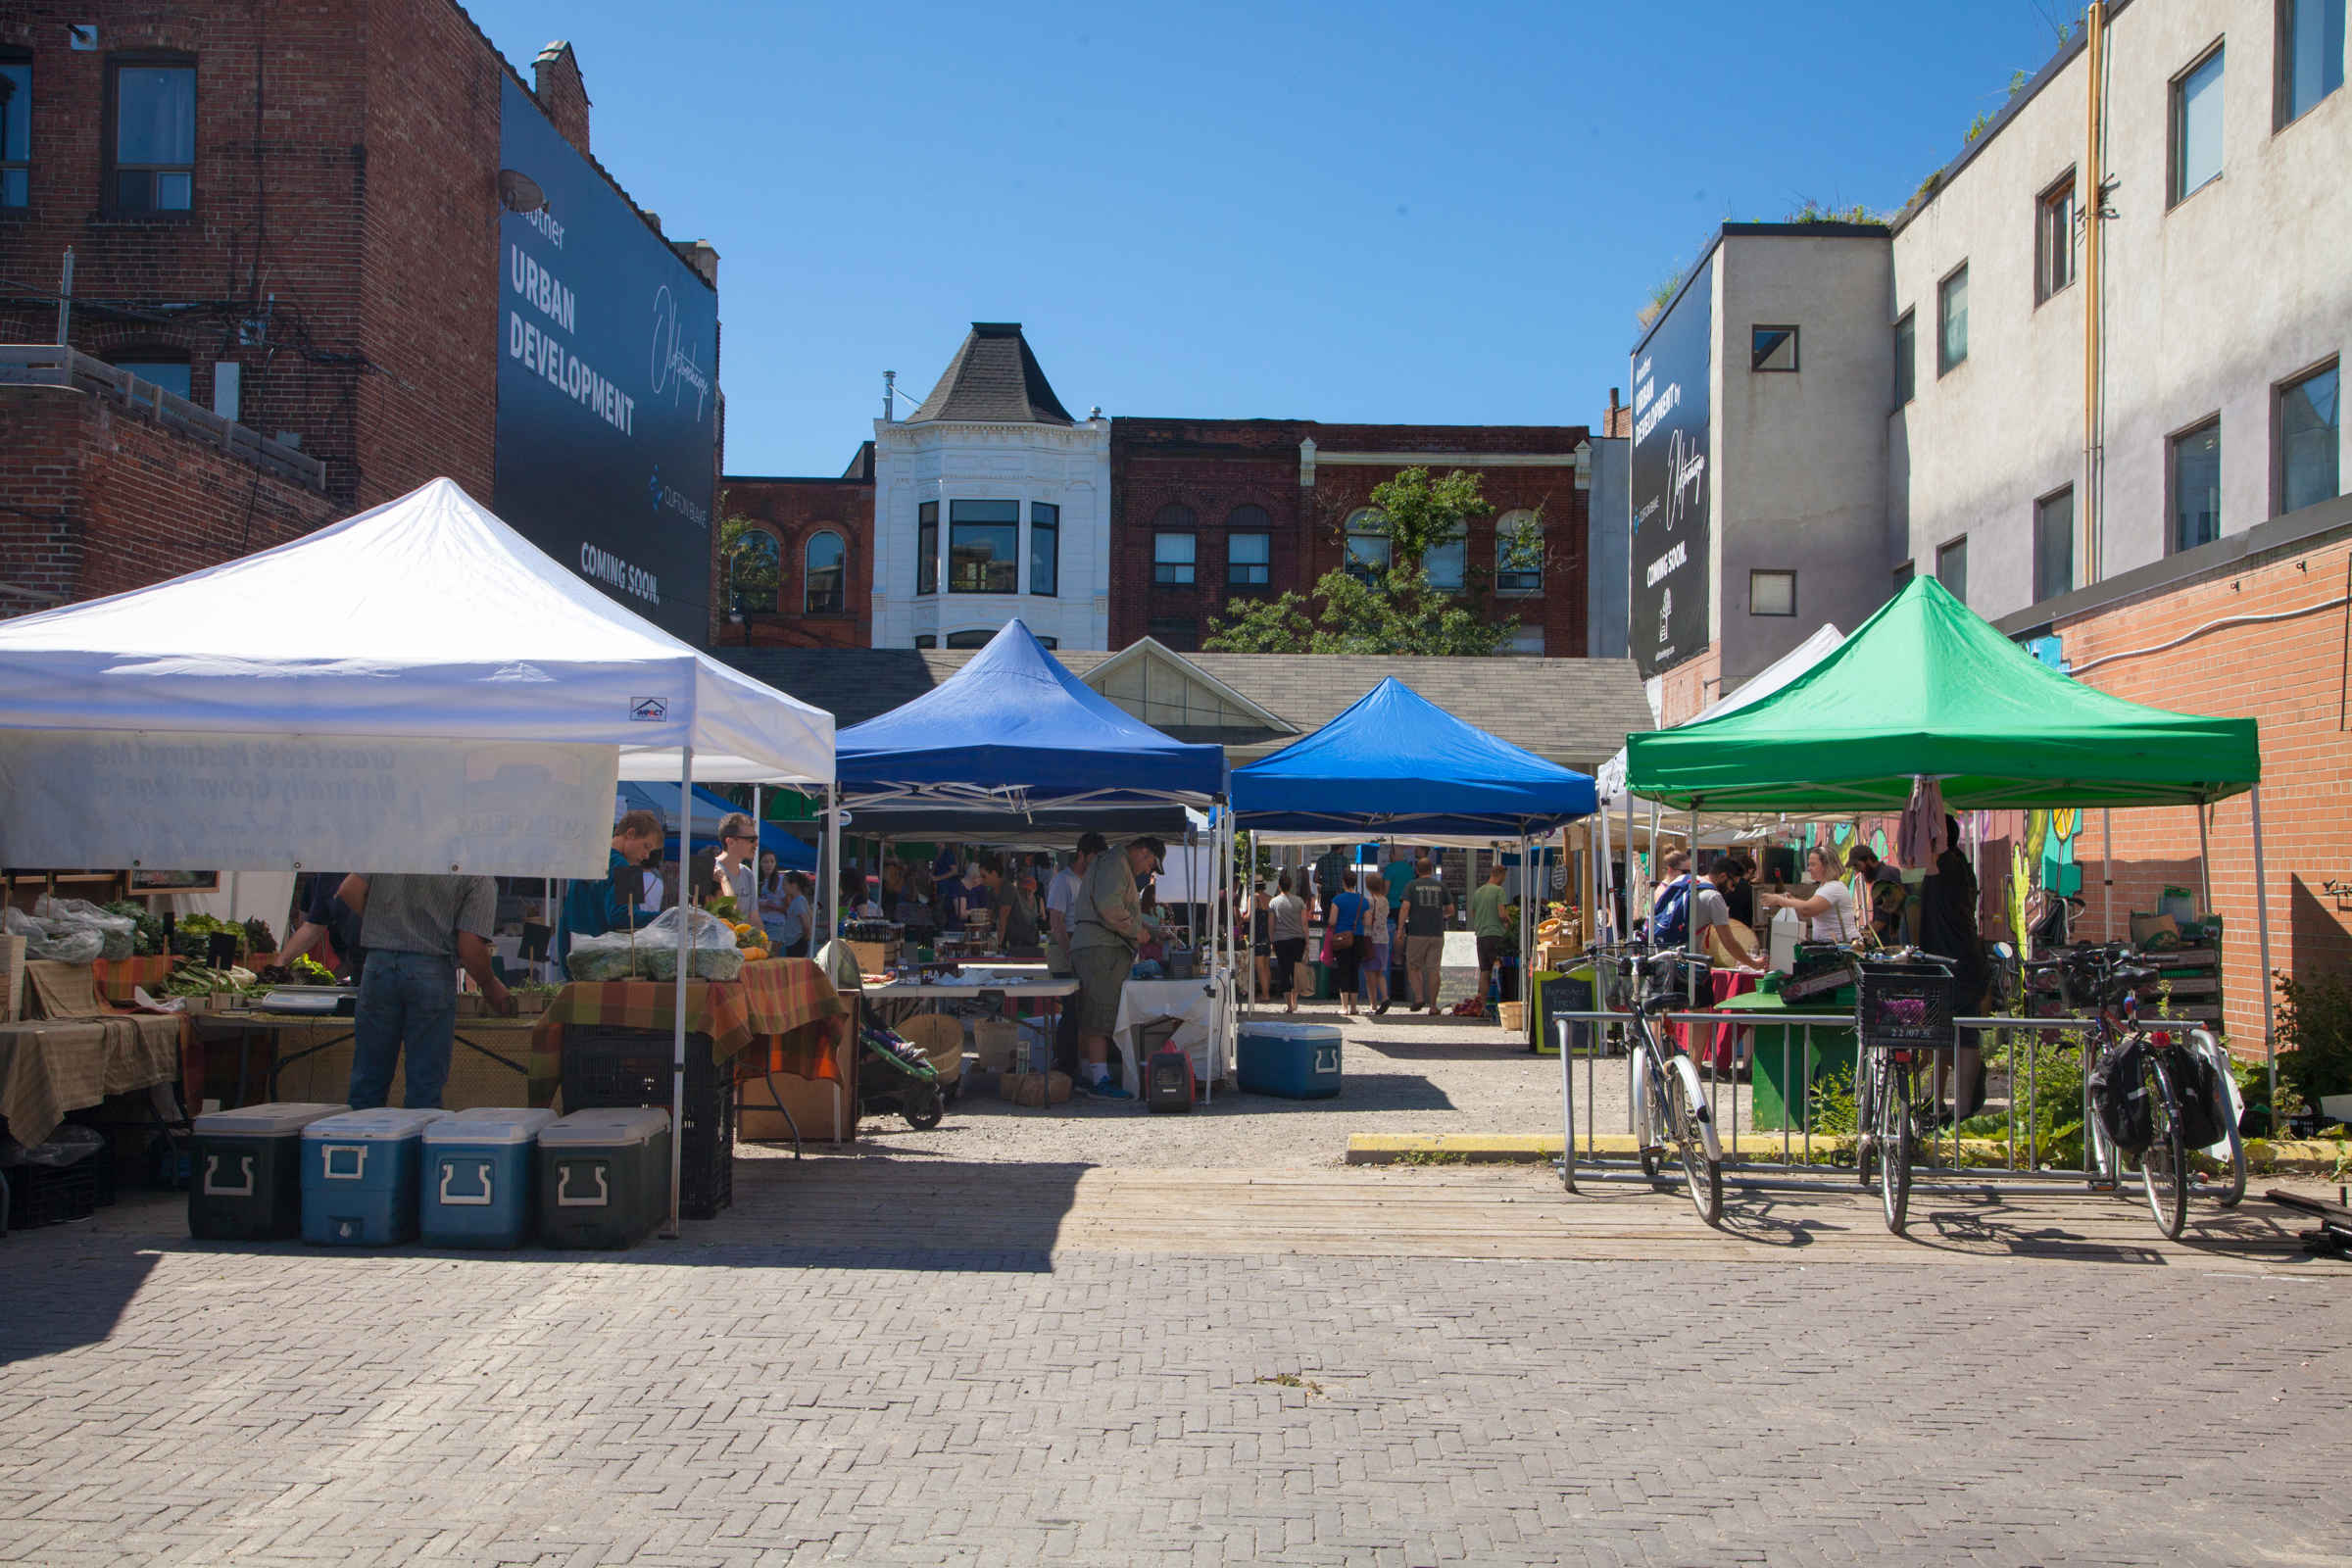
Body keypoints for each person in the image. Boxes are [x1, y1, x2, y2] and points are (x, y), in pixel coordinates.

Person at [336, 871, 513, 1110]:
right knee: (424, 1088)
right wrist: (490, 985)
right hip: (430, 969)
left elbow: (349, 889)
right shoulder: (476, 873)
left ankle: (360, 1145)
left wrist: (387, 925)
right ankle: (415, 1146)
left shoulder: (394, 847)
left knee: (367, 1081)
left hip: (379, 964)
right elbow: (470, 946)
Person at [1067, 835, 1162, 1099]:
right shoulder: (1115, 864)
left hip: (1094, 947)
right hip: (1101, 950)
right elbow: (1110, 908)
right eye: (1150, 865)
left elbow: (1114, 907)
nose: (1147, 871)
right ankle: (1100, 1080)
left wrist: (1150, 930)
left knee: (1090, 1014)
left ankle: (1088, 1075)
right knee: (1100, 1014)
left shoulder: (1112, 863)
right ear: (1143, 852)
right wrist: (1137, 931)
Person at [1918, 812, 1989, 1121]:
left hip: (1958, 963)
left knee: (1965, 1035)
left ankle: (1960, 1108)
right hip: (1948, 962)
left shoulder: (1947, 864)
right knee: (1944, 1034)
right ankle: (1937, 1101)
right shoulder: (1955, 864)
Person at [559, 809, 663, 961]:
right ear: (630, 834)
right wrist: (669, 917)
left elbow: (567, 917)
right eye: (646, 847)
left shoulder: (589, 861)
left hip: (572, 957)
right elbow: (624, 919)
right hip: (601, 962)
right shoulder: (628, 870)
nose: (647, 856)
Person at [272, 868, 367, 981]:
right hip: (357, 962)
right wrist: (279, 964)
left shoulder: (376, 864)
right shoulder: (329, 875)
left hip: (385, 961)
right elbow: (312, 927)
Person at [1759, 844, 1859, 943]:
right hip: (1834, 946)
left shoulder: (1833, 887)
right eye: (1809, 864)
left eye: (1813, 864)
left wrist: (1779, 900)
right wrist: (1790, 899)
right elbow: (1807, 911)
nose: (1809, 868)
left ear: (1826, 866)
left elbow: (1807, 909)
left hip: (1841, 947)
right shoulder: (1825, 887)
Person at [1401, 856, 1452, 1015]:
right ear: (1431, 870)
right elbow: (1451, 910)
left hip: (1417, 932)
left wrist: (1400, 928)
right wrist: (1439, 915)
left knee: (1413, 966)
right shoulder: (1441, 886)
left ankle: (1418, 997)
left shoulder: (1411, 886)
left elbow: (1405, 908)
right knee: (1434, 970)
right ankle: (1433, 1006)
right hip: (1437, 933)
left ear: (1417, 870)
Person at [1322, 869, 1374, 1015]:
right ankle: (1353, 1007)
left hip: (1342, 938)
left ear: (1343, 882)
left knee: (1343, 970)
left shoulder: (1337, 900)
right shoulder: (1363, 900)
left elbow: (1332, 921)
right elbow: (1368, 922)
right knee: (1354, 971)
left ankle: (1344, 1007)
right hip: (1358, 937)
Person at [691, 813, 760, 910]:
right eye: (751, 839)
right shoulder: (707, 869)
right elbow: (729, 911)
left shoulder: (747, 873)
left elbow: (754, 918)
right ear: (730, 842)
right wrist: (724, 880)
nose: (756, 844)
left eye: (757, 839)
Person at [1847, 842, 1908, 946]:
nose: (1857, 870)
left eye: (1857, 865)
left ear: (1868, 860)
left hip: (1891, 942)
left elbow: (1881, 921)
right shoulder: (1891, 871)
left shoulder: (1883, 879)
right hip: (1899, 936)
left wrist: (1860, 938)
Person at [1467, 863, 1512, 1000]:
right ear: (1500, 875)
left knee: (1484, 971)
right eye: (1504, 877)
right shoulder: (1499, 891)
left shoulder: (1478, 892)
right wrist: (1511, 923)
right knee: (1498, 969)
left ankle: (1482, 1005)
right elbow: (1502, 914)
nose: (1504, 880)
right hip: (1495, 935)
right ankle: (1497, 1003)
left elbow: (1473, 912)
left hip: (1481, 936)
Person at [1267, 871, 1310, 1014]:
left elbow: (1271, 924)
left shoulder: (1273, 902)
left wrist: (1272, 940)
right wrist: (1307, 941)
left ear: (1279, 886)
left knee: (1284, 971)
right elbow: (1304, 923)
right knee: (1296, 971)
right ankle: (1295, 1000)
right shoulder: (1299, 901)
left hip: (1281, 940)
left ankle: (1288, 1005)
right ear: (1291, 886)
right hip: (1298, 939)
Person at [1361, 873, 1391, 1014]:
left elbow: (1367, 921)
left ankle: (1373, 1004)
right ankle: (1385, 997)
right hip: (1384, 939)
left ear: (1368, 886)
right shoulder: (1385, 900)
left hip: (1370, 939)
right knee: (1380, 972)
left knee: (1369, 973)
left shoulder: (1368, 901)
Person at [766, 870, 811, 957]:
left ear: (793, 885)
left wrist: (805, 937)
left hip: (796, 943)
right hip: (793, 942)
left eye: (784, 884)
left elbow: (806, 923)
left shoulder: (799, 901)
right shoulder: (797, 900)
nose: (783, 887)